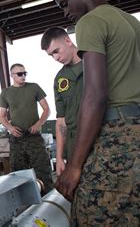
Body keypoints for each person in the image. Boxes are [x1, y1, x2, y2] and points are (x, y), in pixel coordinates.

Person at [54, 0, 140, 225]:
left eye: (65, 3)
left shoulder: (91, 22)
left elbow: (95, 94)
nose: (65, 13)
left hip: (118, 134)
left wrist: (74, 165)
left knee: (93, 215)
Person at [0, 63, 53, 193]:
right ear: (12, 75)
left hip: (34, 137)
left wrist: (38, 124)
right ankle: (23, 203)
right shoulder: (6, 93)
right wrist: (10, 128)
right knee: (18, 173)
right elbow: (2, 116)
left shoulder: (34, 87)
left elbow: (46, 109)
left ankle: (49, 200)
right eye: (19, 74)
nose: (23, 76)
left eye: (24, 73)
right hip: (17, 138)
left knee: (43, 169)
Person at [40, 27, 83, 176]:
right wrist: (59, 158)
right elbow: (61, 120)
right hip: (75, 149)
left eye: (56, 51)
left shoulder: (95, 63)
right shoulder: (60, 79)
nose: (56, 58)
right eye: (51, 55)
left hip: (103, 141)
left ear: (68, 40)